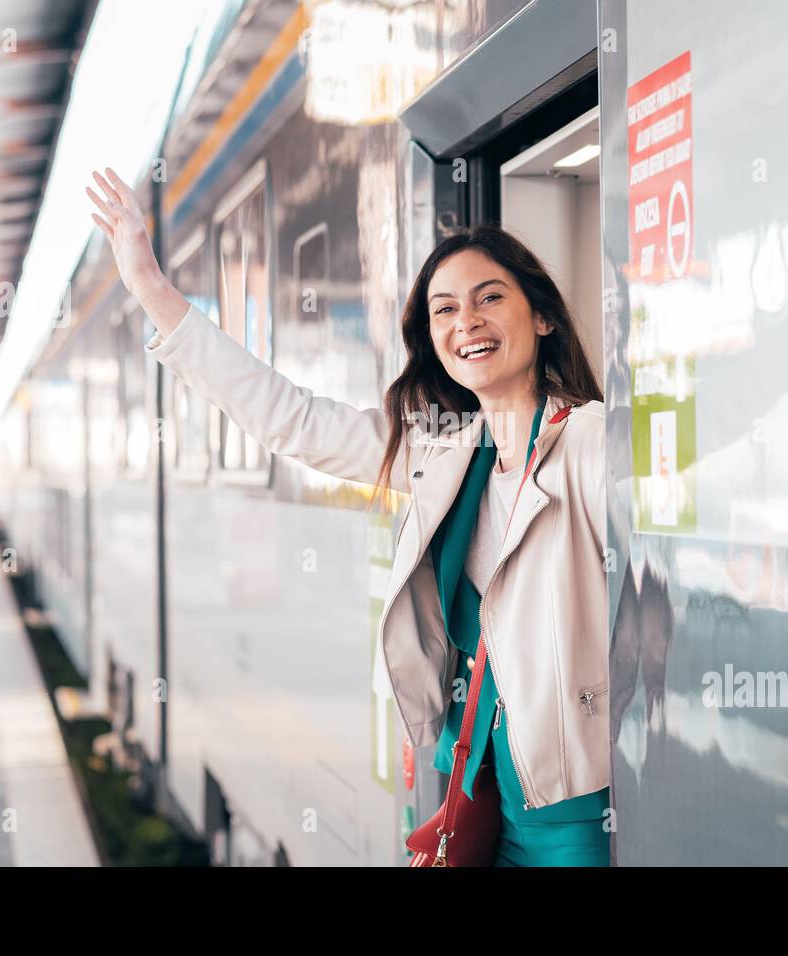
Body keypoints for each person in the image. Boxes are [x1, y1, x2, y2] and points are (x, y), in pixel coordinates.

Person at [87, 167, 620, 866]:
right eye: (446, 310)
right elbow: (293, 420)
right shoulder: (444, 455)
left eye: (491, 299)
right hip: (482, 800)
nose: (468, 323)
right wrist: (152, 289)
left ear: (541, 316)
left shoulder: (587, 441)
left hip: (573, 810)